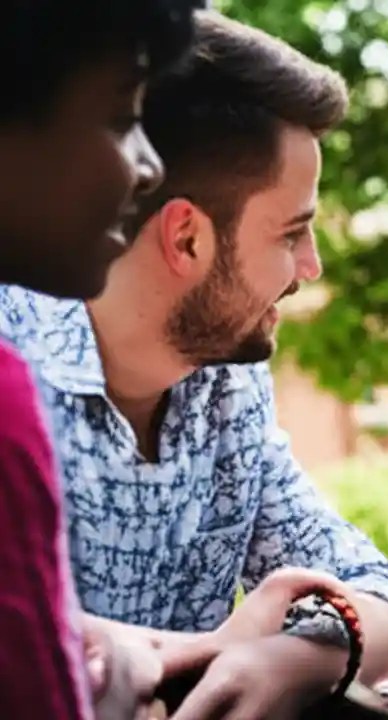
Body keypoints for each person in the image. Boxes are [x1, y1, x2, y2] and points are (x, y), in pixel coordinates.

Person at [0, 11, 388, 718]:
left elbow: (376, 595)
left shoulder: (224, 386)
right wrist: (197, 653)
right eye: (293, 232)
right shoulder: (15, 376)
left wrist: (281, 658)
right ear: (186, 238)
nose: (313, 268)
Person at [0, 1, 198, 718]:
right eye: (121, 116)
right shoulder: (6, 395)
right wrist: (112, 693)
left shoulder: (229, 391)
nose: (150, 168)